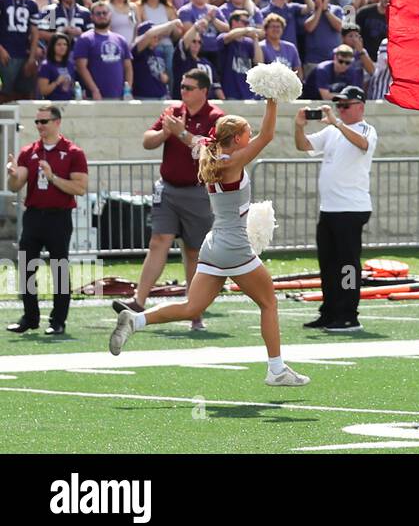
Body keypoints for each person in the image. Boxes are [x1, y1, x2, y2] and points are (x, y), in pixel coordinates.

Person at [109, 97, 310, 387]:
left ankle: (136, 320)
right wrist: (272, 99)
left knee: (193, 307)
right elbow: (267, 135)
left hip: (214, 243)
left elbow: (200, 140)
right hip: (233, 245)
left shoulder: (211, 152)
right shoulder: (233, 160)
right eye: (246, 132)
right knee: (268, 302)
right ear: (238, 139)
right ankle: (276, 369)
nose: (250, 135)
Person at [116, 69, 225, 328]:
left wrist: (182, 133)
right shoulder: (173, 111)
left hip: (197, 191)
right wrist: (166, 133)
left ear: (203, 91)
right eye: (182, 86)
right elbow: (147, 141)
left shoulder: (216, 117)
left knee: (193, 251)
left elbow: (210, 151)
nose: (183, 91)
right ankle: (138, 301)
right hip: (167, 188)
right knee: (158, 240)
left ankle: (194, 308)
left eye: (189, 87)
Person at [296, 87, 378, 331]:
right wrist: (299, 126)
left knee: (348, 265)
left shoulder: (366, 129)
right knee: (328, 264)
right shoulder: (332, 131)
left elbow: (362, 144)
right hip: (329, 209)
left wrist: (336, 123)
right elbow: (304, 146)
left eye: (345, 105)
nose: (340, 109)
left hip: (351, 209)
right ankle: (329, 311)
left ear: (360, 106)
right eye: (338, 105)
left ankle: (349, 314)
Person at [5, 105, 88, 335]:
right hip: (33, 215)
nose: (40, 126)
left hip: (58, 216)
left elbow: (79, 188)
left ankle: (58, 320)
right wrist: (12, 175)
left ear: (57, 122)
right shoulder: (29, 151)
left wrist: (53, 177)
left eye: (45, 121)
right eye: (37, 122)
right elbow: (16, 185)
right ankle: (30, 317)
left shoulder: (73, 152)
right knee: (26, 267)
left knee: (59, 268)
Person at [72, 1, 133, 99]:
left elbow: (128, 68)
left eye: (105, 13)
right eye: (98, 13)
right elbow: (81, 68)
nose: (102, 16)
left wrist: (128, 89)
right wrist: (94, 90)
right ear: (91, 17)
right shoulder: (85, 39)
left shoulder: (120, 39)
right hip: (95, 97)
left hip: (119, 96)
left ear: (110, 15)